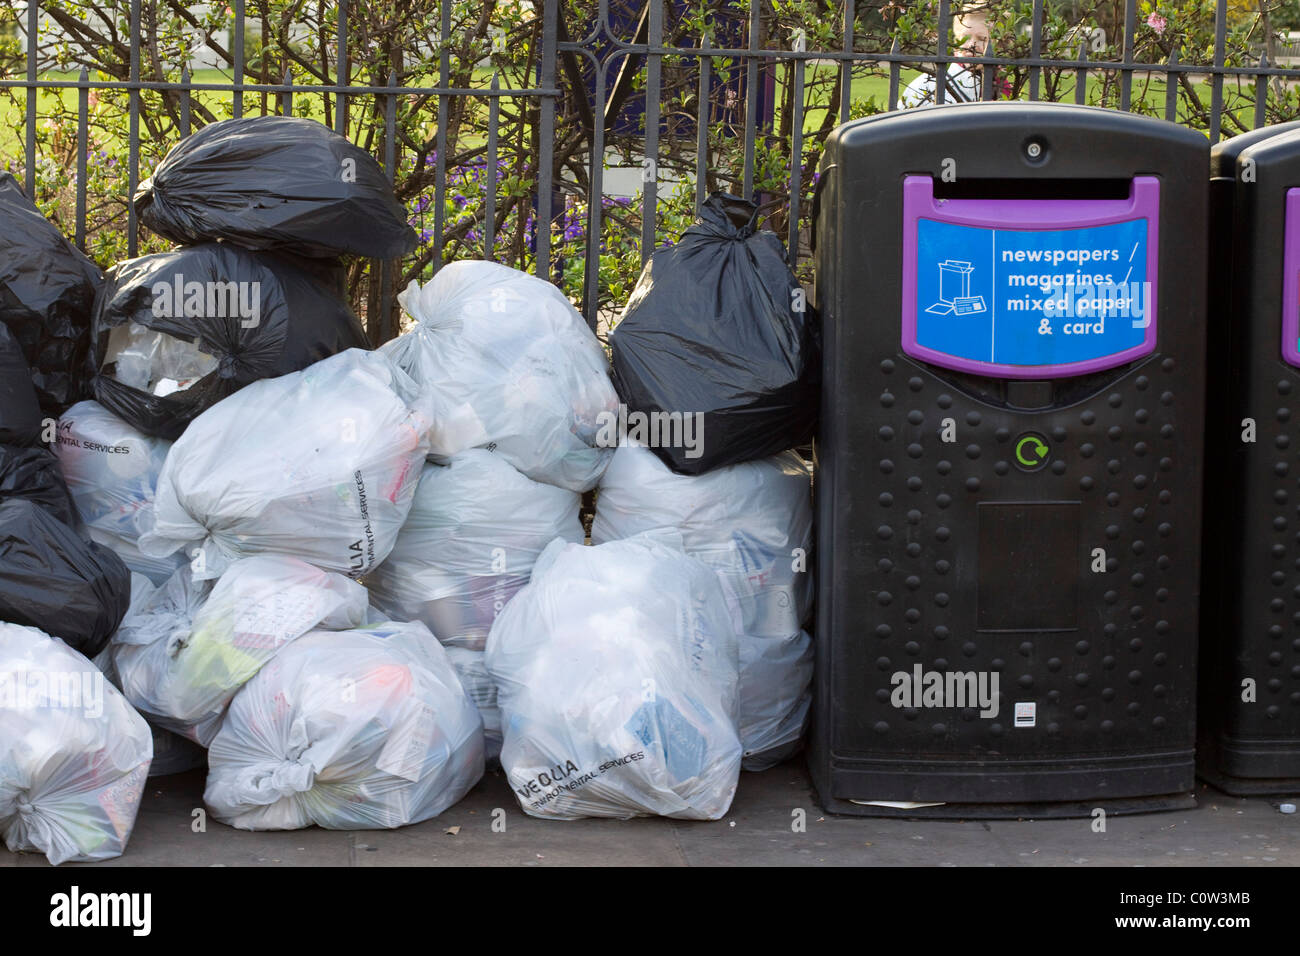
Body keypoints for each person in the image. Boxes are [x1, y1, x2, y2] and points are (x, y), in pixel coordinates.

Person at [897, 7, 991, 109]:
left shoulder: (1004, 87)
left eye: (982, 39)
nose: (971, 45)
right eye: (965, 38)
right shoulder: (926, 86)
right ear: (956, 41)